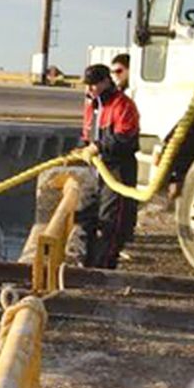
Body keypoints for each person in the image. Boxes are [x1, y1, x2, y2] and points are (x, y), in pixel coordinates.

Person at [77, 63, 140, 269]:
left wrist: (98, 147)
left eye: (93, 85)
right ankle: (84, 262)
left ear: (105, 82)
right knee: (86, 215)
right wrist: (82, 148)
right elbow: (87, 134)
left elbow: (125, 138)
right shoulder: (93, 106)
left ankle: (104, 266)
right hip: (95, 171)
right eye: (87, 85)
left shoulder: (122, 105)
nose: (90, 89)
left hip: (117, 170)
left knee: (111, 221)